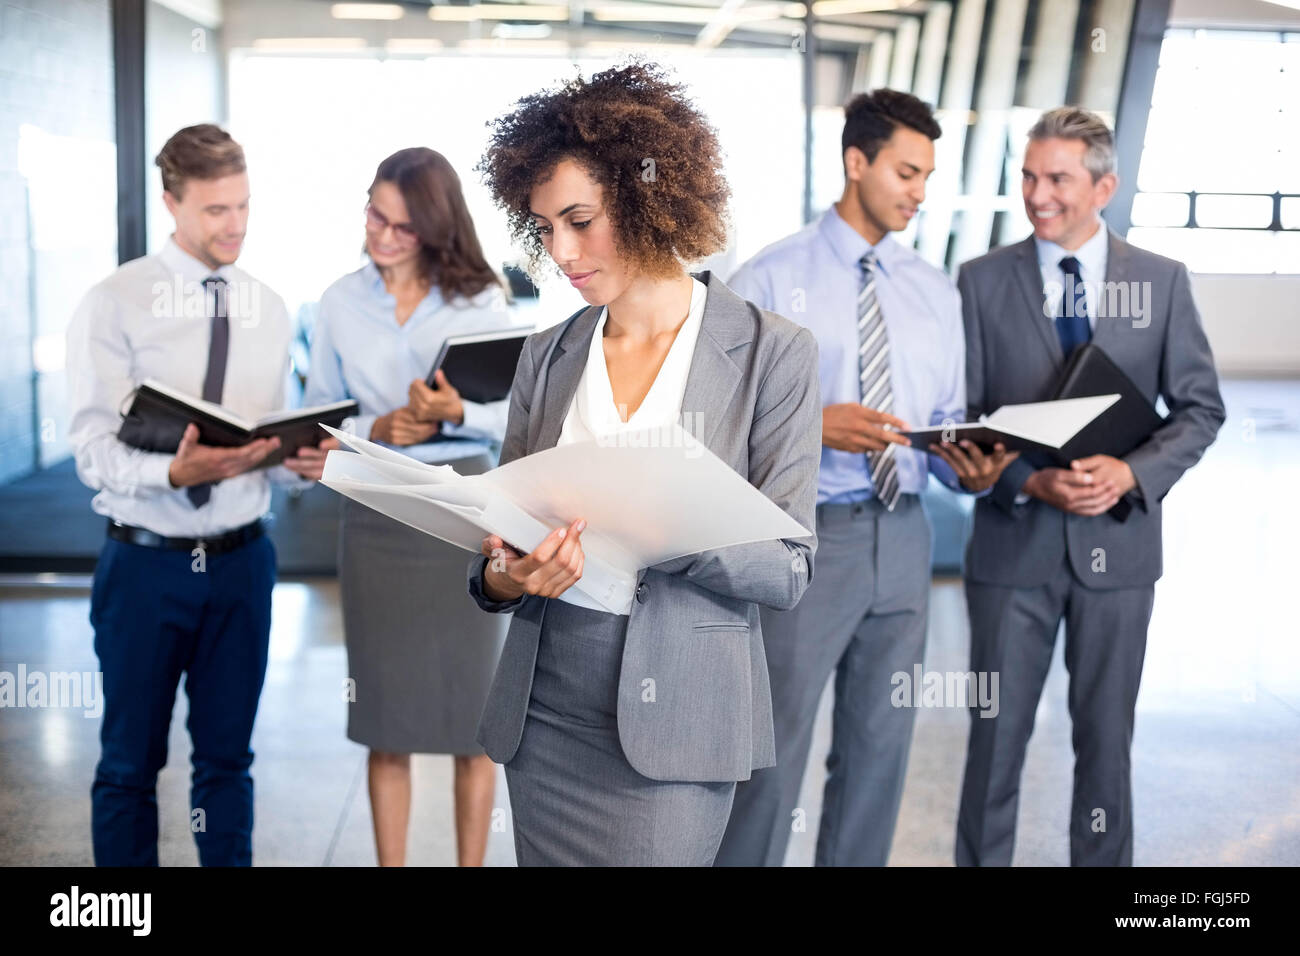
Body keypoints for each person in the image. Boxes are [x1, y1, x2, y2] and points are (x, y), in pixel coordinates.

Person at [466, 61, 822, 866]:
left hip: (681, 716)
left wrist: (661, 526)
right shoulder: (548, 354)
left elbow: (790, 568)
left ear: (647, 196)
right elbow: (497, 542)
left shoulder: (772, 354)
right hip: (546, 704)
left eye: (579, 221)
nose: (558, 250)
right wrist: (506, 576)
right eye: (544, 226)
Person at [714, 90, 1020, 867]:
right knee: (770, 756)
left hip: (906, 536)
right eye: (906, 172)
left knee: (880, 753)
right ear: (857, 162)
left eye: (927, 176)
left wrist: (973, 468)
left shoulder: (934, 291)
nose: (920, 191)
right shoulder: (768, 279)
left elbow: (946, 411)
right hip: (806, 541)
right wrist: (811, 426)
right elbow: (713, 425)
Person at [955, 107, 1225, 866]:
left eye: (1059, 179)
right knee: (994, 743)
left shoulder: (1161, 282)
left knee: (1106, 744)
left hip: (1120, 552)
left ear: (1103, 186)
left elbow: (1202, 408)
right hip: (1013, 553)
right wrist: (1028, 480)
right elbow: (965, 417)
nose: (1038, 195)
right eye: (1029, 177)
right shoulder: (980, 281)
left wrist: (1133, 471)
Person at [66, 123, 328, 866]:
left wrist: (298, 459)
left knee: (227, 764)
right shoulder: (114, 303)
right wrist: (170, 475)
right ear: (170, 202)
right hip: (146, 567)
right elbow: (90, 448)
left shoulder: (270, 308)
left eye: (244, 206)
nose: (235, 225)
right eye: (216, 210)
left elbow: (268, 444)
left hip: (243, 567)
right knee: (127, 767)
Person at [296, 147, 511, 867]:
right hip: (379, 513)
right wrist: (376, 430)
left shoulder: (481, 299)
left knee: (472, 724)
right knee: (386, 721)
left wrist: (454, 414)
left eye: (402, 227)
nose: (382, 235)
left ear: (435, 228)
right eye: (373, 215)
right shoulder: (338, 301)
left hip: (463, 513)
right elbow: (316, 420)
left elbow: (516, 417)